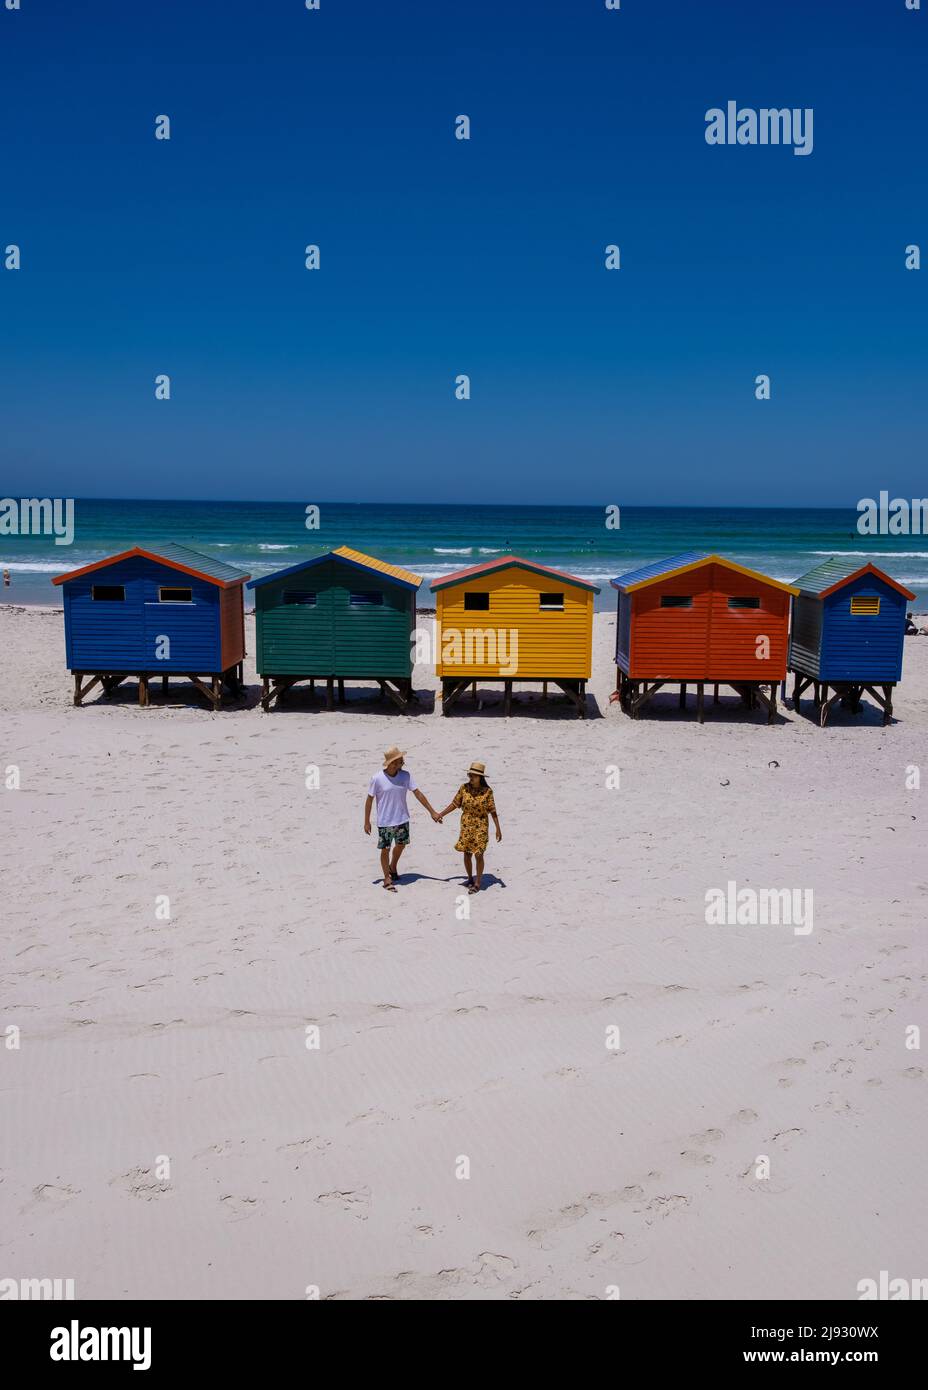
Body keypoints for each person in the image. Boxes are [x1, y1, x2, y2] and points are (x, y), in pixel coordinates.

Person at [364, 746, 442, 891]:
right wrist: (366, 821)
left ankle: (392, 867)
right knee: (385, 849)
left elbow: (418, 793)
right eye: (400, 761)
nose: (403, 763)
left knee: (401, 845)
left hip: (402, 819)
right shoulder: (377, 778)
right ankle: (387, 879)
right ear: (392, 763)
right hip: (385, 821)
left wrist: (432, 812)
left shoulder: (405, 776)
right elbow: (369, 800)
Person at [438, 760, 501, 894]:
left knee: (479, 853)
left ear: (480, 777)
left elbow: (493, 810)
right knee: (467, 853)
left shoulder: (487, 791)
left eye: (473, 775)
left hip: (481, 824)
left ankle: (478, 882)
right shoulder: (464, 788)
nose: (470, 777)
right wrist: (441, 814)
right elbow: (455, 804)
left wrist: (498, 829)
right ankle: (470, 878)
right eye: (470, 775)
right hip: (467, 824)